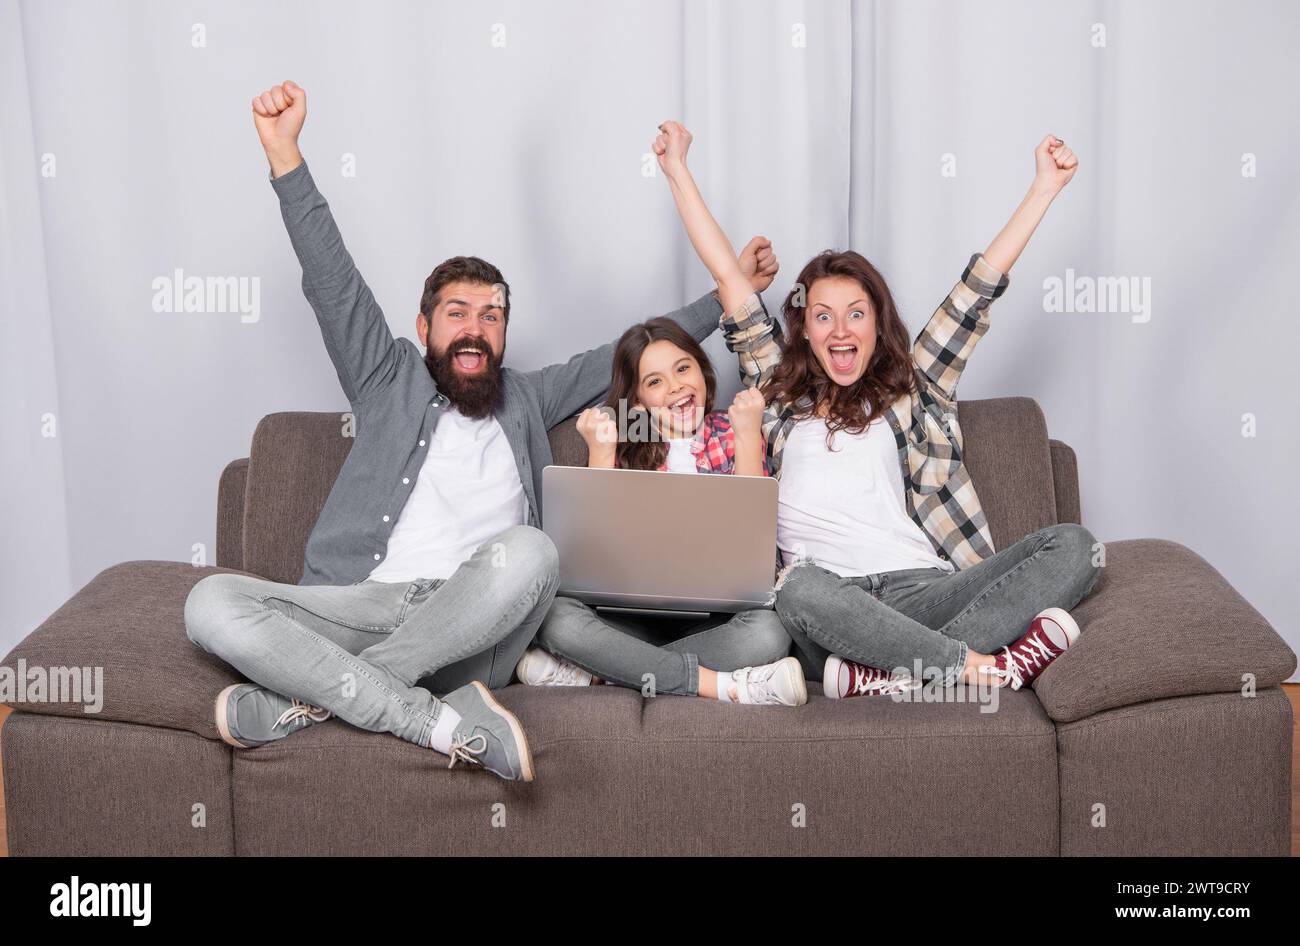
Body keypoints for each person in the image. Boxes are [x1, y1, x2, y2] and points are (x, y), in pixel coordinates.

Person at [182, 81, 773, 781]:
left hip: (480, 620)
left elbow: (625, 351)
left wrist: (730, 290)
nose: (475, 326)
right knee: (209, 602)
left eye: (491, 315)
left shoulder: (525, 396)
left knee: (531, 551)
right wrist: (285, 155)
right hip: (359, 604)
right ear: (424, 328)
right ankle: (429, 717)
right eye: (457, 312)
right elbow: (332, 280)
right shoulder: (386, 377)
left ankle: (315, 701)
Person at [683, 120, 1101, 697]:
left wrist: (1044, 188)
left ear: (877, 325)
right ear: (802, 328)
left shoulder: (916, 387)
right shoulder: (775, 392)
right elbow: (728, 276)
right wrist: (678, 168)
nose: (840, 329)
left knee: (1077, 547)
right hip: (829, 603)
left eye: (856, 313)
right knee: (796, 588)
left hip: (922, 593)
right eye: (822, 315)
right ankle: (976, 670)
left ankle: (887, 675)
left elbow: (974, 294)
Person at [516, 314, 805, 706]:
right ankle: (711, 681)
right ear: (637, 401)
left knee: (769, 633)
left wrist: (747, 435)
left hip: (717, 620)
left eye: (683, 368)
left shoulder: (731, 430)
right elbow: (588, 554)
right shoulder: (623, 446)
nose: (676, 387)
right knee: (556, 618)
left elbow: (756, 538)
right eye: (655, 381)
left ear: (702, 371)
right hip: (629, 621)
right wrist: (601, 451)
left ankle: (607, 674)